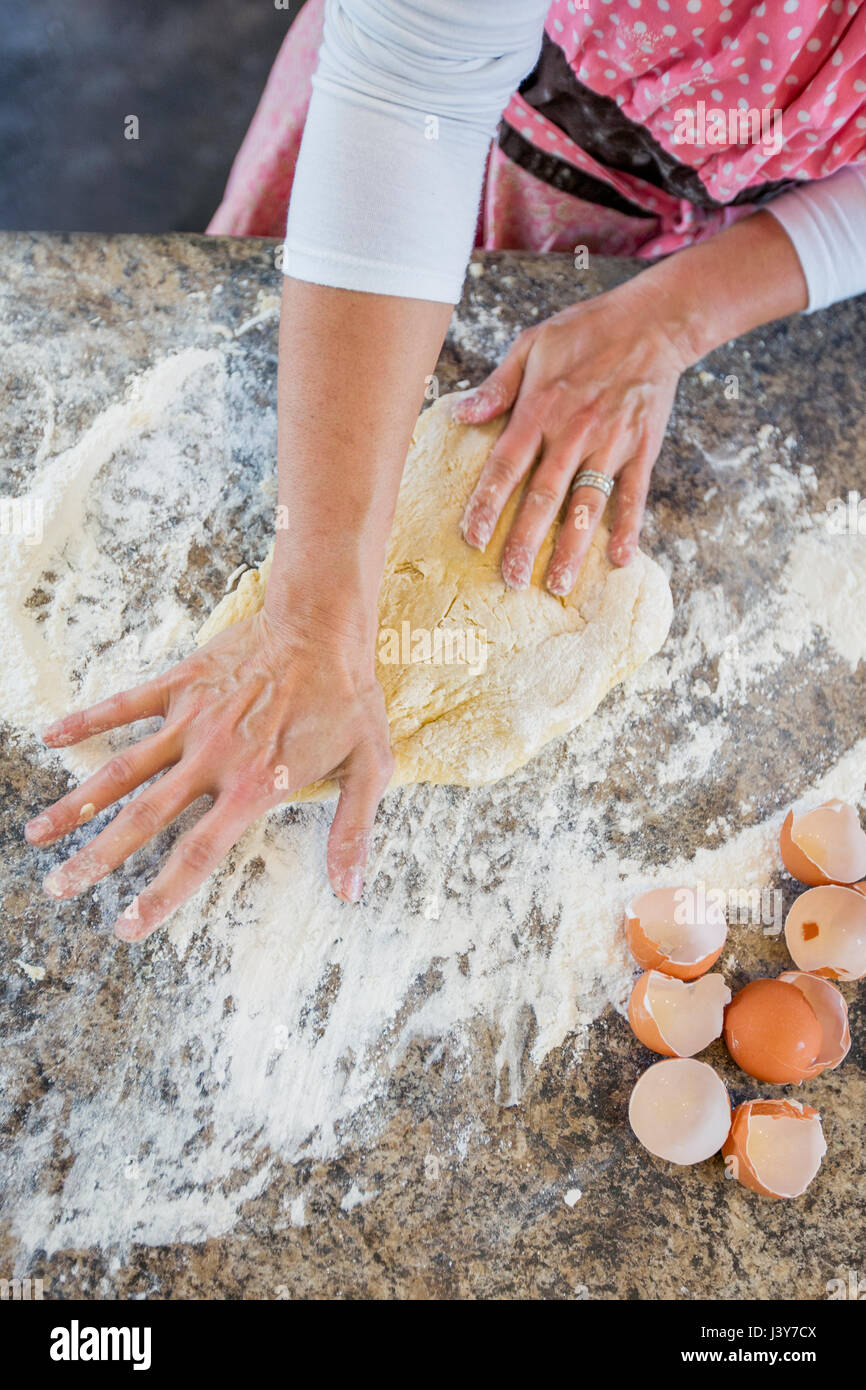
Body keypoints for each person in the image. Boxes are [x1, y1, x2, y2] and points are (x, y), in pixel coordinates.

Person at [26, 0, 866, 939]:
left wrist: (679, 314)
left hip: (732, 233)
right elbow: (405, 87)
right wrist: (310, 616)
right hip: (434, 161)